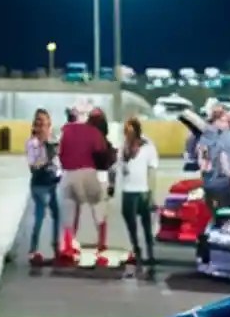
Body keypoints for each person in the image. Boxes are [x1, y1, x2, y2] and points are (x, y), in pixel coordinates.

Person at [57, 107, 114, 259]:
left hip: (69, 174)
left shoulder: (68, 131)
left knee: (70, 209)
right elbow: (104, 156)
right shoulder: (97, 136)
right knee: (99, 210)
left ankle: (69, 244)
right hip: (93, 174)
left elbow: (60, 154)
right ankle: (101, 245)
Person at [118, 116, 158, 275]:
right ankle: (137, 250)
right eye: (126, 131)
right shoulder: (124, 147)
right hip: (128, 191)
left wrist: (151, 193)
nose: (128, 134)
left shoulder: (148, 146)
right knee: (131, 225)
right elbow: (120, 166)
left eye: (130, 130)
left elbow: (152, 171)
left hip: (142, 191)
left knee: (147, 226)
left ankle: (150, 253)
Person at [26, 108, 62, 264]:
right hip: (39, 184)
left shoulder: (54, 141)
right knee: (40, 216)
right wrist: (46, 157)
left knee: (57, 215)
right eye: (39, 122)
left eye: (45, 123)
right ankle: (33, 249)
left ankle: (56, 247)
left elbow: (59, 162)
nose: (42, 126)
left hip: (53, 183)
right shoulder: (32, 144)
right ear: (35, 125)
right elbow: (32, 166)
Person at [198, 106, 230, 212]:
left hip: (222, 181)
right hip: (216, 180)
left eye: (224, 121)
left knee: (220, 209)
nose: (220, 124)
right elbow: (204, 161)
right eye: (219, 121)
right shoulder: (207, 139)